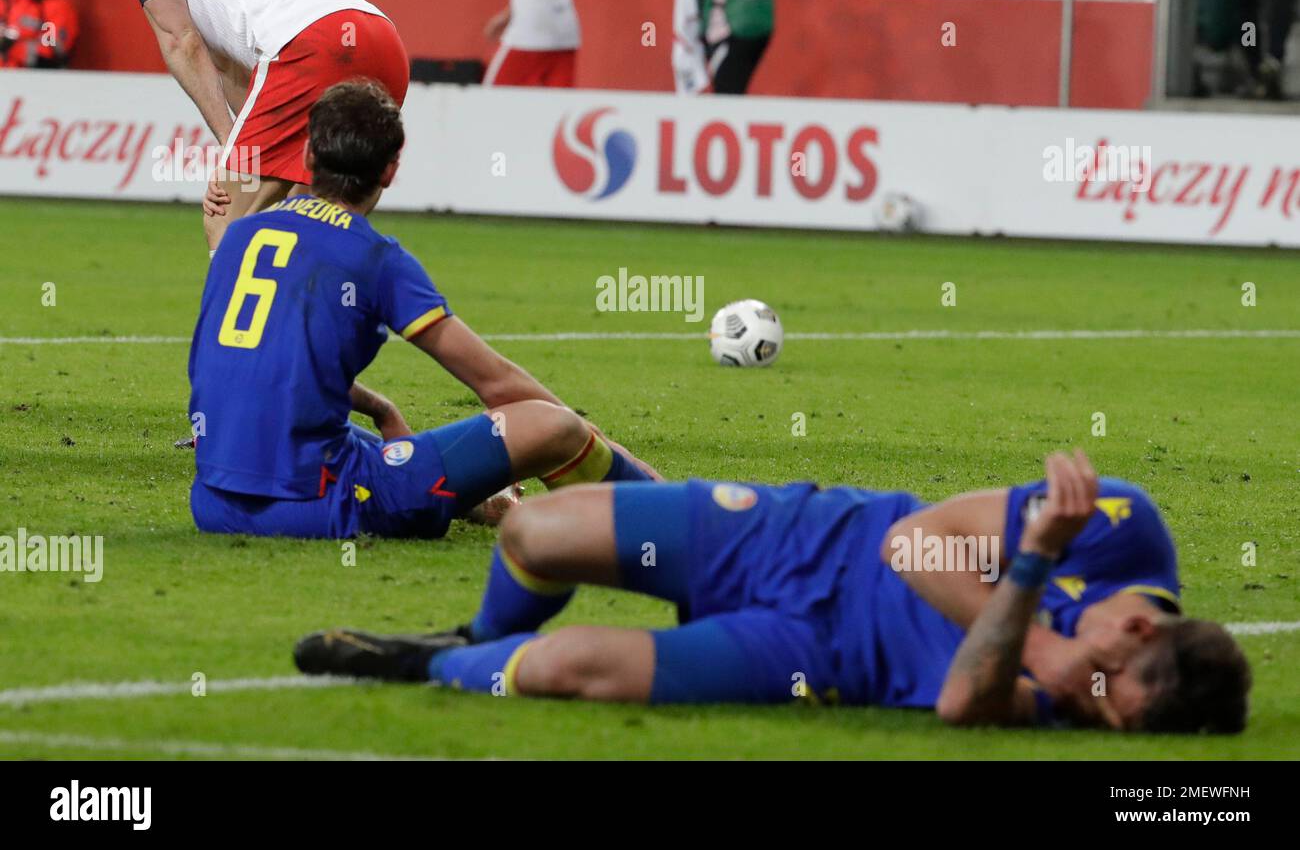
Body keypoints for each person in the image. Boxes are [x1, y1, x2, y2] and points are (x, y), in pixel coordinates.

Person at [296, 450, 1251, 733]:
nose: (1089, 712)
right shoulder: (1125, 526)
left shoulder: (1099, 700)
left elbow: (964, 699)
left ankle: (438, 663)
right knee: (535, 528)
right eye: (1100, 687)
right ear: (1133, 625)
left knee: (557, 668)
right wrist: (1044, 618)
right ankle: (472, 630)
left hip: (819, 658)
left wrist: (1033, 583)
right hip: (810, 538)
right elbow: (913, 545)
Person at [189, 79, 659, 538]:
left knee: (365, 442)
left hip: (212, 500)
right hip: (317, 502)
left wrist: (380, 406)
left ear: (309, 156)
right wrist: (598, 439)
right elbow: (497, 384)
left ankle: (482, 504)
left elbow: (261, 358)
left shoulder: (241, 235)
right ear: (391, 170)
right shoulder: (376, 257)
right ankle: (661, 506)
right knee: (551, 425)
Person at [36, 0, 408, 254]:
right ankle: (335, 311)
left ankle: (224, 319)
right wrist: (241, 143)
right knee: (317, 222)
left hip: (310, 43)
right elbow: (229, 66)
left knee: (225, 215)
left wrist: (232, 146)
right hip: (381, 42)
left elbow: (178, 39)